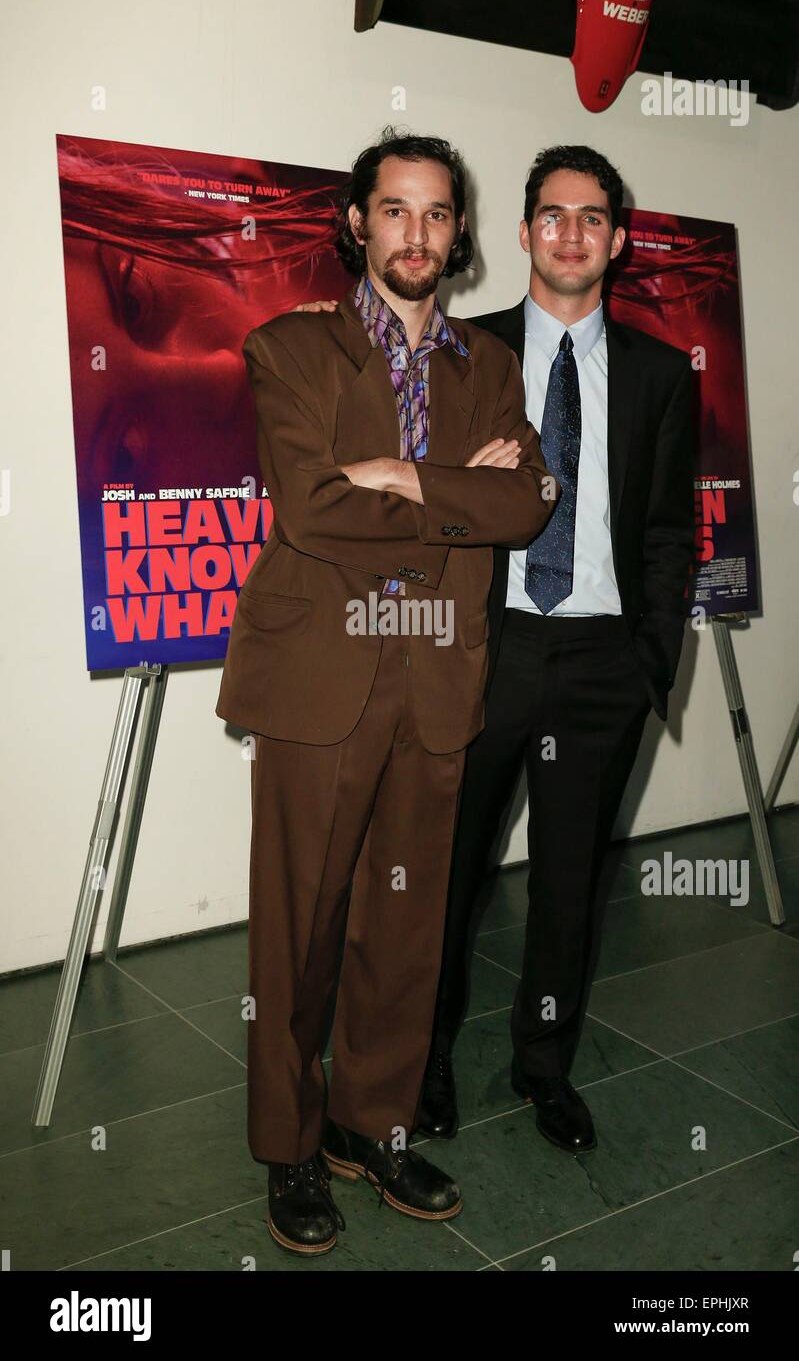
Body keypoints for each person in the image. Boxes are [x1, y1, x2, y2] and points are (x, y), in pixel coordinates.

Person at [215, 126, 555, 1255]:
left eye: (438, 213)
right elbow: (311, 512)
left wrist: (404, 476)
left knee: (403, 931)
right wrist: (457, 496)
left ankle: (374, 1124)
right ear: (358, 222)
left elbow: (529, 506)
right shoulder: (289, 350)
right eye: (395, 209)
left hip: (439, 678)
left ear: (458, 235)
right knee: (300, 933)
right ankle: (290, 1143)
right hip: (323, 675)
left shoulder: (488, 367)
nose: (417, 232)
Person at [416, 145, 696, 1153]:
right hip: (487, 651)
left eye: (591, 217)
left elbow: (668, 532)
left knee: (569, 886)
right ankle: (424, 1067)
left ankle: (542, 1068)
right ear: (525, 229)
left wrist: (648, 660)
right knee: (445, 878)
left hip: (601, 666)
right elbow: (419, 512)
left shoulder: (663, 375)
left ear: (616, 240)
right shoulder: (459, 352)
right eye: (550, 214)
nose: (569, 232)